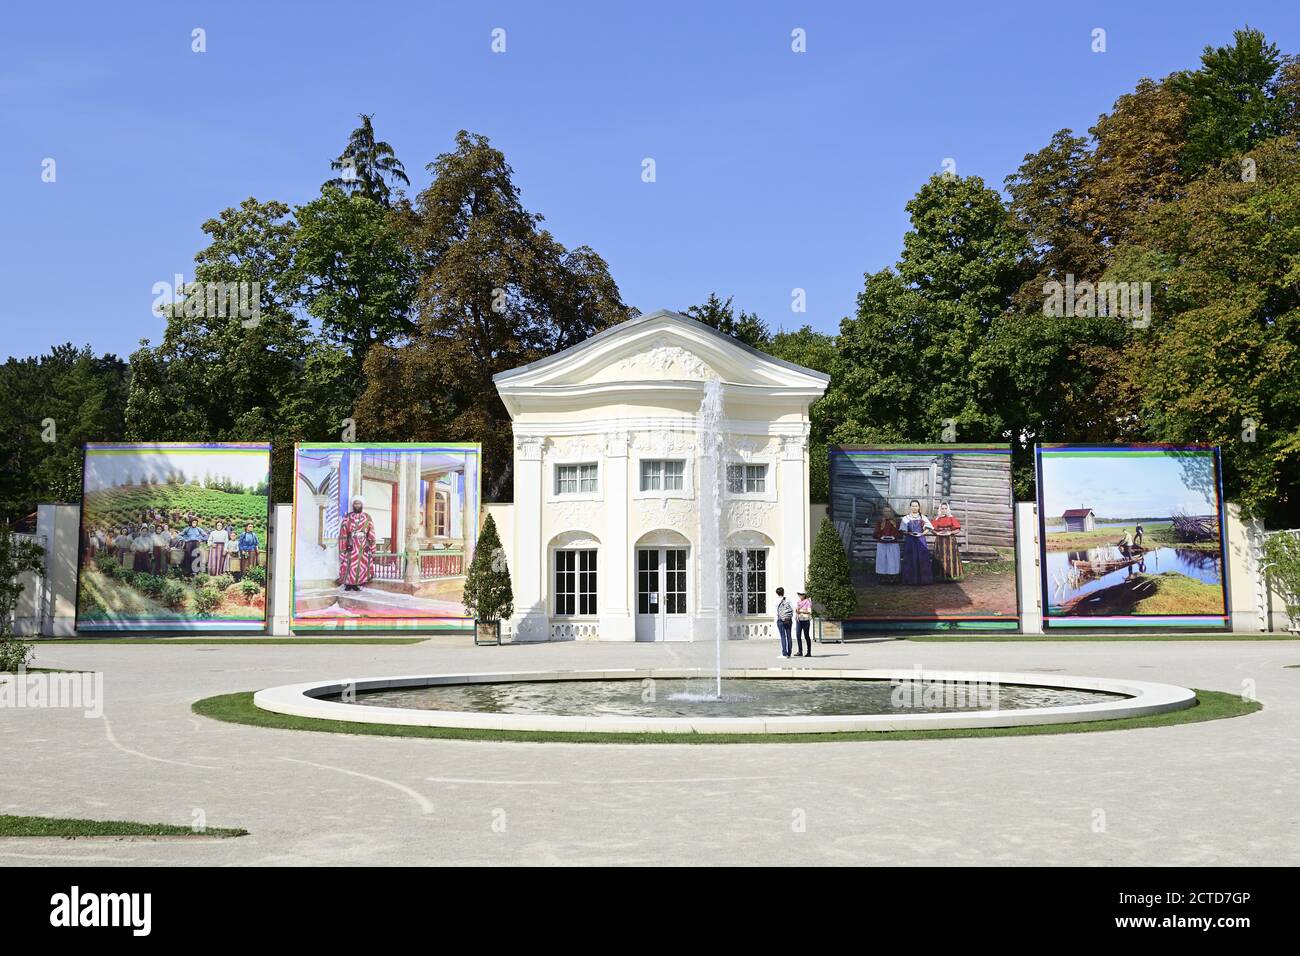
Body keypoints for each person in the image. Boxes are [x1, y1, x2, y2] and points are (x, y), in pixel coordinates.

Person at [338, 495, 376, 591]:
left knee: (361, 564)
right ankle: (348, 584)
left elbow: (371, 532)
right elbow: (343, 532)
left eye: (359, 503)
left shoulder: (367, 517)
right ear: (353, 505)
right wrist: (343, 545)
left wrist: (371, 545)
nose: (357, 505)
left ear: (362, 505)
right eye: (355, 503)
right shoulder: (348, 517)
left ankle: (356, 584)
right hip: (351, 543)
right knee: (349, 563)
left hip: (363, 545)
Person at [899, 499, 934, 586]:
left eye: (916, 506)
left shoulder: (923, 517)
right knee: (910, 558)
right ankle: (910, 580)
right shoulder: (906, 518)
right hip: (910, 540)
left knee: (922, 558)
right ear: (910, 507)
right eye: (913, 506)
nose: (914, 508)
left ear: (919, 507)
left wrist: (922, 534)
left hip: (920, 540)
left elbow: (929, 528)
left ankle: (923, 580)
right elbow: (903, 531)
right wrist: (910, 533)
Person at [932, 501, 964, 581]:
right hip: (940, 541)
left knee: (951, 556)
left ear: (948, 509)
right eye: (942, 508)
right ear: (940, 509)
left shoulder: (951, 518)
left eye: (945, 508)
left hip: (950, 540)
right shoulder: (937, 519)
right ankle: (940, 576)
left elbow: (957, 529)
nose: (944, 510)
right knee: (940, 556)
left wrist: (950, 532)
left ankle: (952, 575)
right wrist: (937, 533)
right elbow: (932, 529)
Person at [873, 507, 902, 583]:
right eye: (885, 511)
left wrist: (894, 537)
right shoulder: (880, 522)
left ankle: (893, 577)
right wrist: (881, 537)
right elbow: (876, 533)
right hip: (882, 544)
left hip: (892, 544)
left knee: (892, 560)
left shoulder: (896, 522)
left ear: (891, 512)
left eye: (889, 511)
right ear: (883, 512)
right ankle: (882, 578)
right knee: (882, 560)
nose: (887, 513)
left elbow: (900, 533)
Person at [774, 586, 794, 659]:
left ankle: (784, 653)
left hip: (780, 620)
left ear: (777, 593)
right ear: (783, 592)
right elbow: (793, 608)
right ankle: (789, 653)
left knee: (783, 636)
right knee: (789, 636)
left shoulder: (776, 601)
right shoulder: (788, 600)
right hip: (788, 619)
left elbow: (776, 611)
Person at [795, 590, 813, 657]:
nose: (800, 595)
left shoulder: (808, 602)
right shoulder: (799, 602)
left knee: (806, 636)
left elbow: (809, 612)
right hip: (799, 620)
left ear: (804, 595)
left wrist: (801, 611)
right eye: (799, 594)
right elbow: (797, 610)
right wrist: (797, 611)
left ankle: (809, 652)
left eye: (801, 594)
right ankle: (800, 651)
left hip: (805, 620)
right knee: (798, 635)